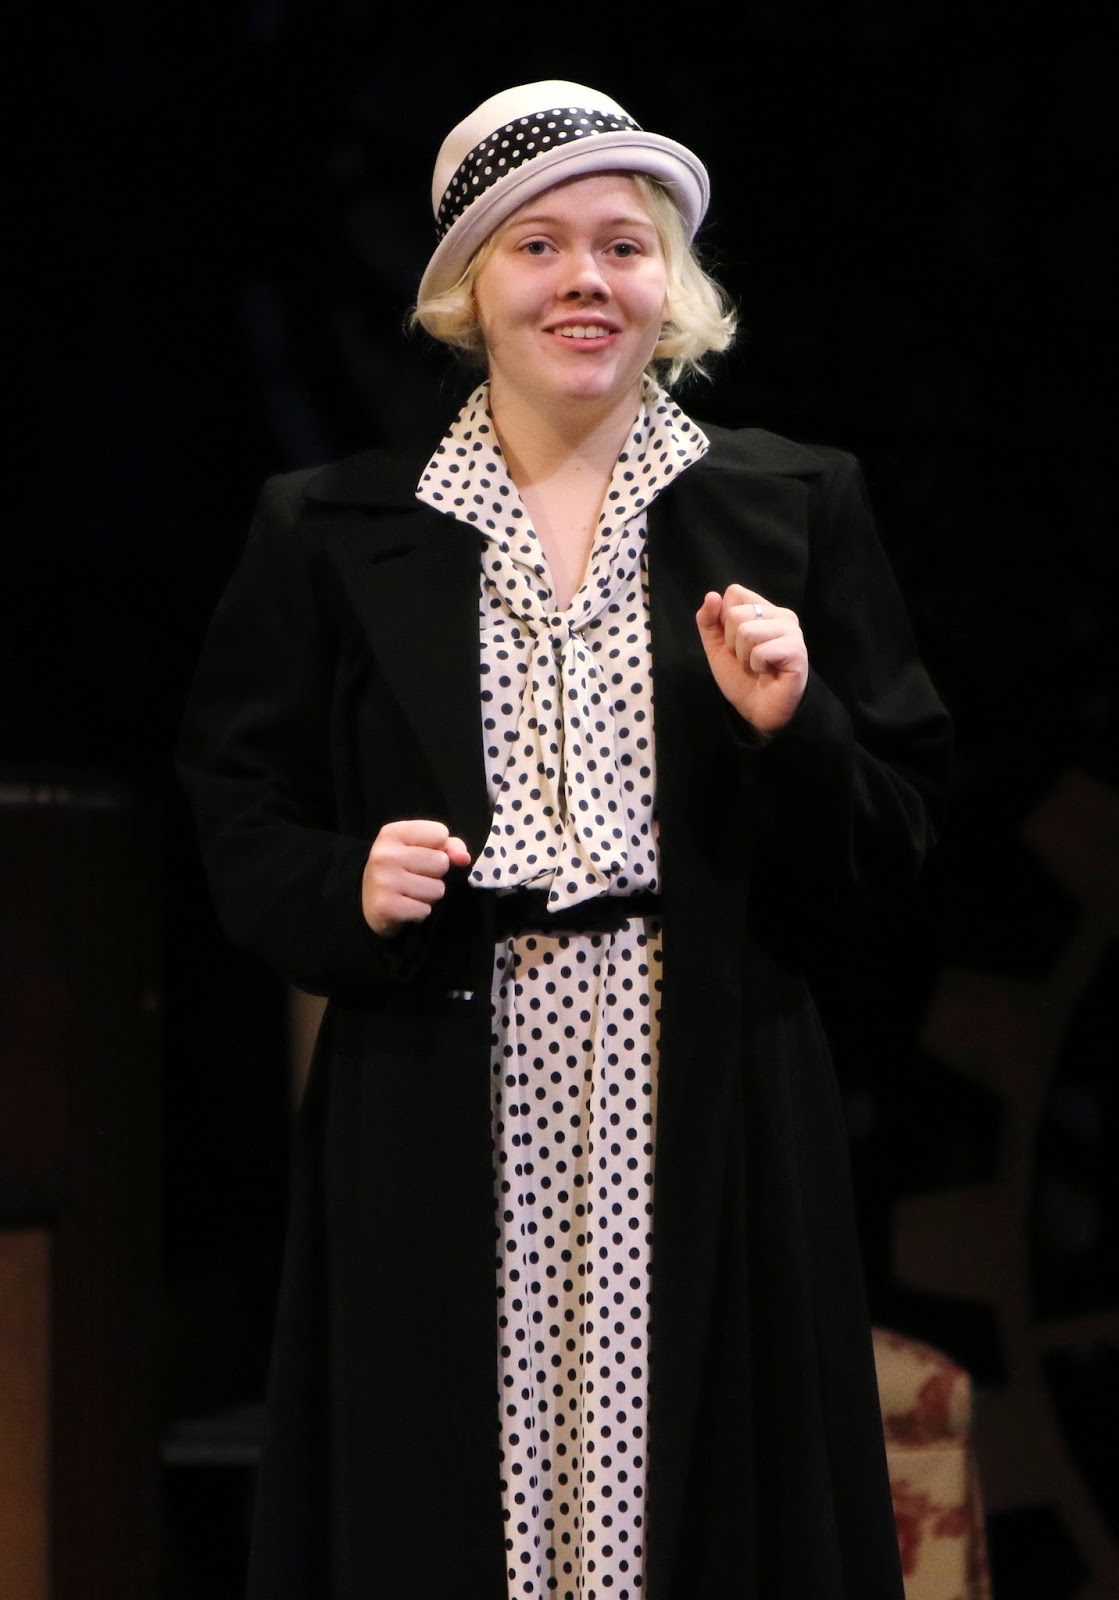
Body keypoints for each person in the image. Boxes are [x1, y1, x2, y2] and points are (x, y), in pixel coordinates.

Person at [178, 80, 952, 1600]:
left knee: (704, 1490)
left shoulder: (788, 507)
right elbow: (233, 800)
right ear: (471, 290)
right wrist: (344, 885)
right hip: (442, 1075)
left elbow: (901, 841)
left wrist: (797, 728)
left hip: (707, 1064)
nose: (585, 280)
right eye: (538, 247)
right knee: (453, 1493)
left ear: (675, 288)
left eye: (623, 245)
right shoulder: (331, 528)